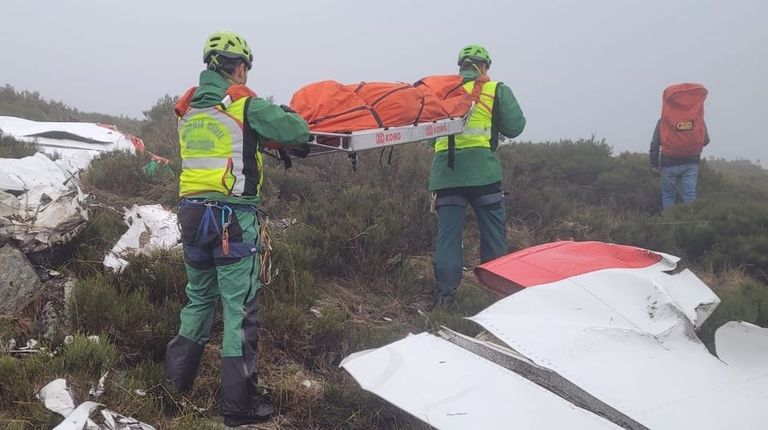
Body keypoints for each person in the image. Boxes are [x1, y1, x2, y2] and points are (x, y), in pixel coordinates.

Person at [165, 31, 309, 427]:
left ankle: (174, 387)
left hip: (192, 217)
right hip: (232, 221)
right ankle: (239, 406)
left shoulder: (188, 108)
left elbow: (226, 146)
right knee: (239, 310)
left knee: (198, 300)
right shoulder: (245, 104)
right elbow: (297, 132)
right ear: (239, 67)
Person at [429, 44, 526, 307]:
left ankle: (445, 298)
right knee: (493, 235)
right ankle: (497, 297)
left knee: (448, 238)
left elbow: (428, 136)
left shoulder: (441, 91)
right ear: (485, 66)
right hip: (484, 174)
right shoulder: (496, 89)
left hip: (446, 176)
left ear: (460, 66)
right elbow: (515, 127)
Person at [649, 83, 710, 210]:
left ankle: (669, 221)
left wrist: (654, 165)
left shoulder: (663, 121)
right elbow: (705, 140)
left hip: (669, 162)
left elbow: (655, 144)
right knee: (689, 194)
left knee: (668, 195)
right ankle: (691, 223)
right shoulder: (697, 120)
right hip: (691, 162)